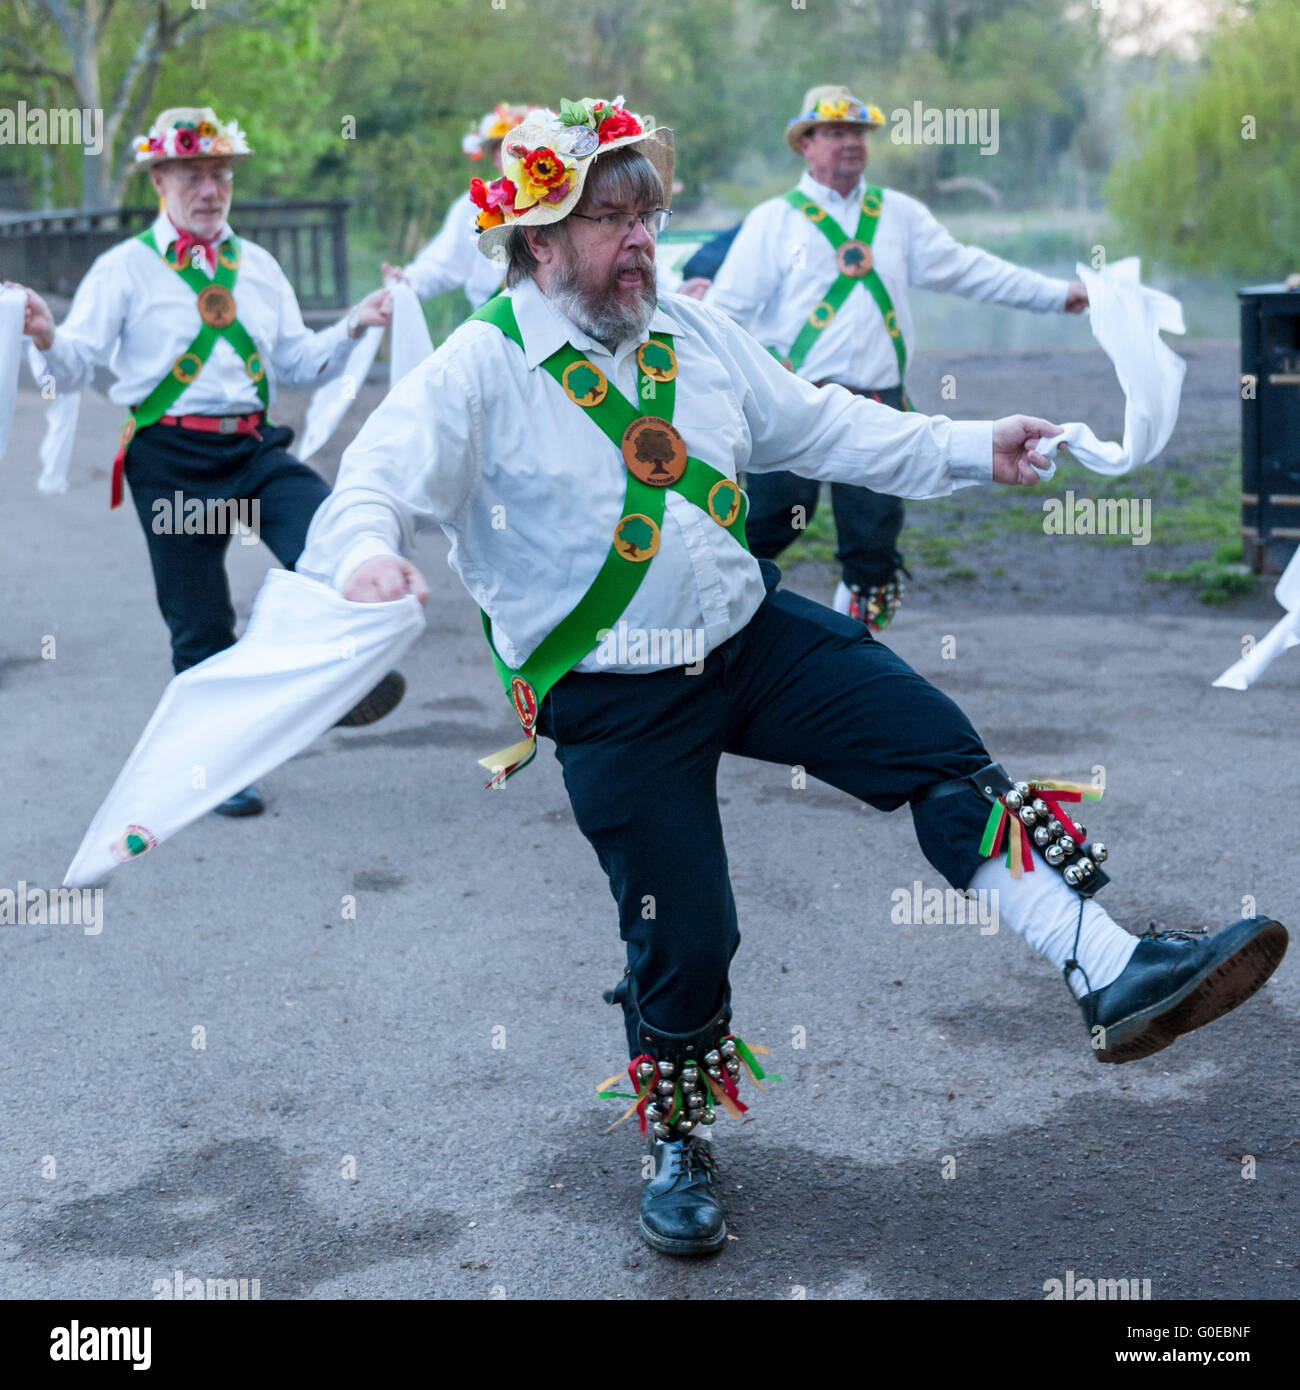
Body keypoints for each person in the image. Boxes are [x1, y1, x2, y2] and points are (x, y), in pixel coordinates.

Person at [293, 96, 1287, 1257]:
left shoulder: (693, 335)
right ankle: (675, 1140)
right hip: (609, 695)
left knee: (932, 741)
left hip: (747, 637)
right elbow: (372, 482)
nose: (639, 238)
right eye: (606, 216)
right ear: (536, 243)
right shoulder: (476, 371)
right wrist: (365, 558)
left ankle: (1105, 966)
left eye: (646, 211)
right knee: (687, 935)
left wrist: (974, 446)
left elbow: (822, 424)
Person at [10, 106, 404, 817]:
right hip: (170, 457)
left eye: (220, 173)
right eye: (193, 173)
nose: (211, 188)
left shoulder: (258, 265)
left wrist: (356, 320)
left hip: (254, 446)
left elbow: (298, 362)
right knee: (200, 623)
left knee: (334, 540)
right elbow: (72, 370)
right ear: (160, 178)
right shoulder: (123, 268)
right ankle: (217, 769)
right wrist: (43, 335)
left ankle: (329, 686)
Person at [705, 84, 1089, 631]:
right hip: (793, 400)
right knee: (766, 525)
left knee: (875, 547)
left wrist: (1057, 294)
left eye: (859, 133)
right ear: (806, 144)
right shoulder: (773, 221)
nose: (851, 144)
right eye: (836, 133)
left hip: (879, 402)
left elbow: (968, 270)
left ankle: (857, 655)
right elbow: (726, 311)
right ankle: (717, 624)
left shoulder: (900, 215)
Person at [380, 103, 534, 311]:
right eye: (495, 147)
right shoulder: (474, 204)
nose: (504, 153)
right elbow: (443, 262)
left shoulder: (560, 199)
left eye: (513, 142)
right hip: (496, 325)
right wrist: (408, 283)